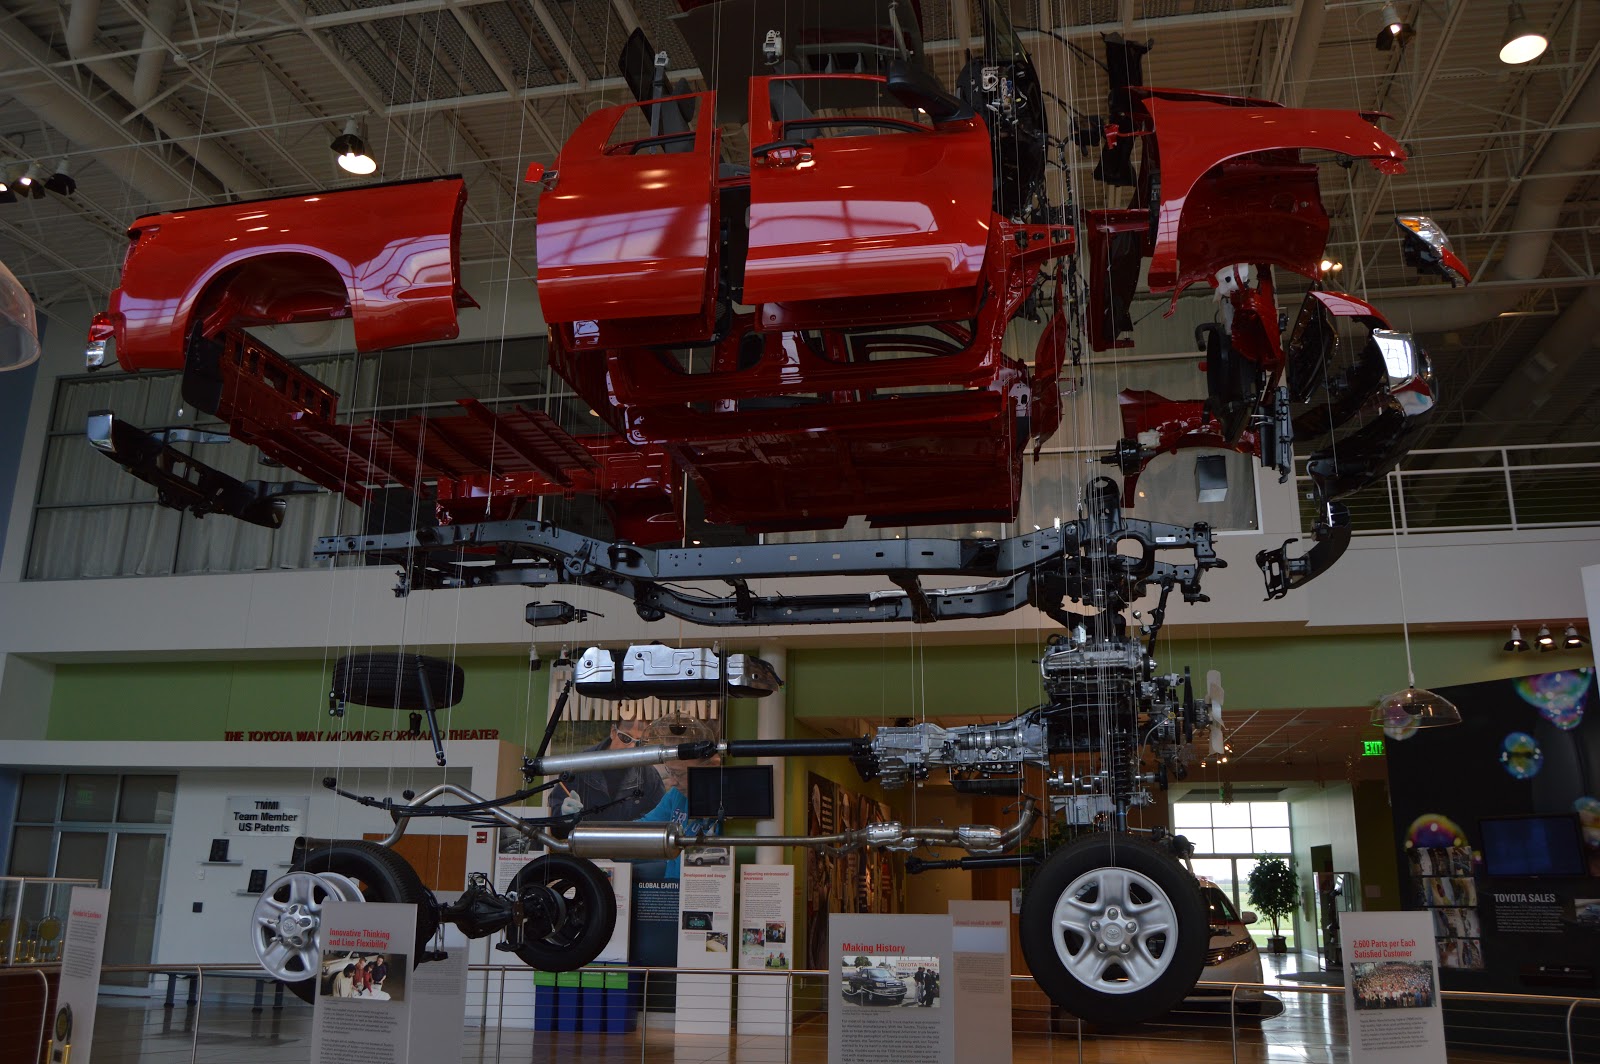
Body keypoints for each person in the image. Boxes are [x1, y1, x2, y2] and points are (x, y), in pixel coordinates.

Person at [546, 720, 667, 821]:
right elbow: (556, 824)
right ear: (613, 732)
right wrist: (564, 815)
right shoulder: (580, 765)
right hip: (585, 846)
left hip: (629, 847)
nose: (631, 747)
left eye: (639, 742)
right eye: (625, 738)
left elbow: (661, 817)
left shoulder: (649, 775)